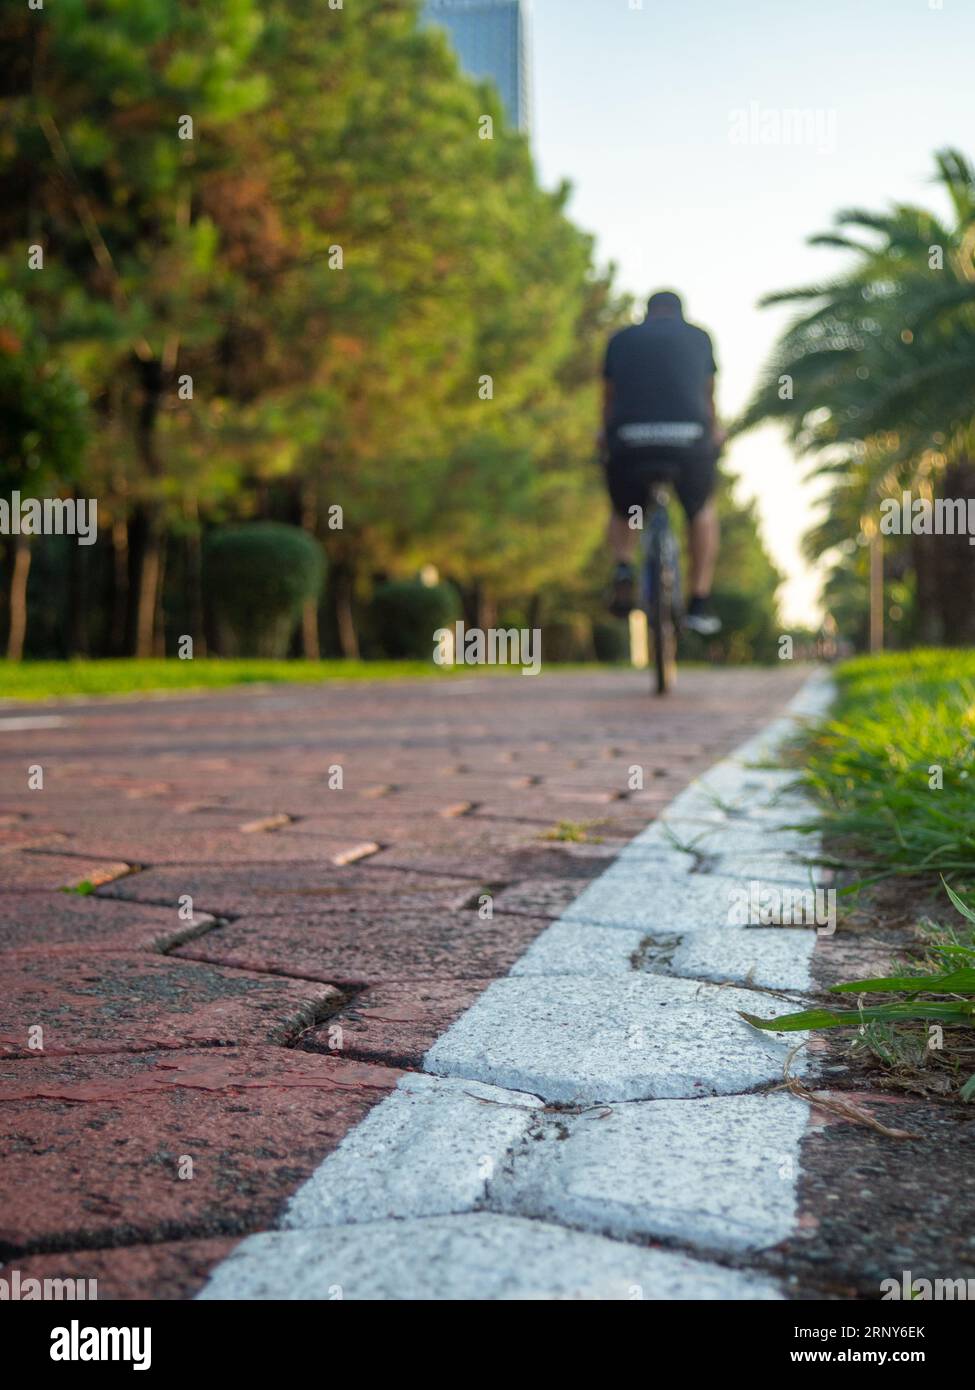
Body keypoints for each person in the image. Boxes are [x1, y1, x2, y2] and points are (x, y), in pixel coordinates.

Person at [599, 290, 724, 636]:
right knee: (702, 511)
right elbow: (708, 395)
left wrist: (604, 434)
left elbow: (608, 398)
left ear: (647, 313)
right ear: (680, 314)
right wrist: (715, 432)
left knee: (624, 509)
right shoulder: (699, 337)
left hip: (630, 439)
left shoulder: (621, 339)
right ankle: (700, 599)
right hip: (687, 440)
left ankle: (624, 565)